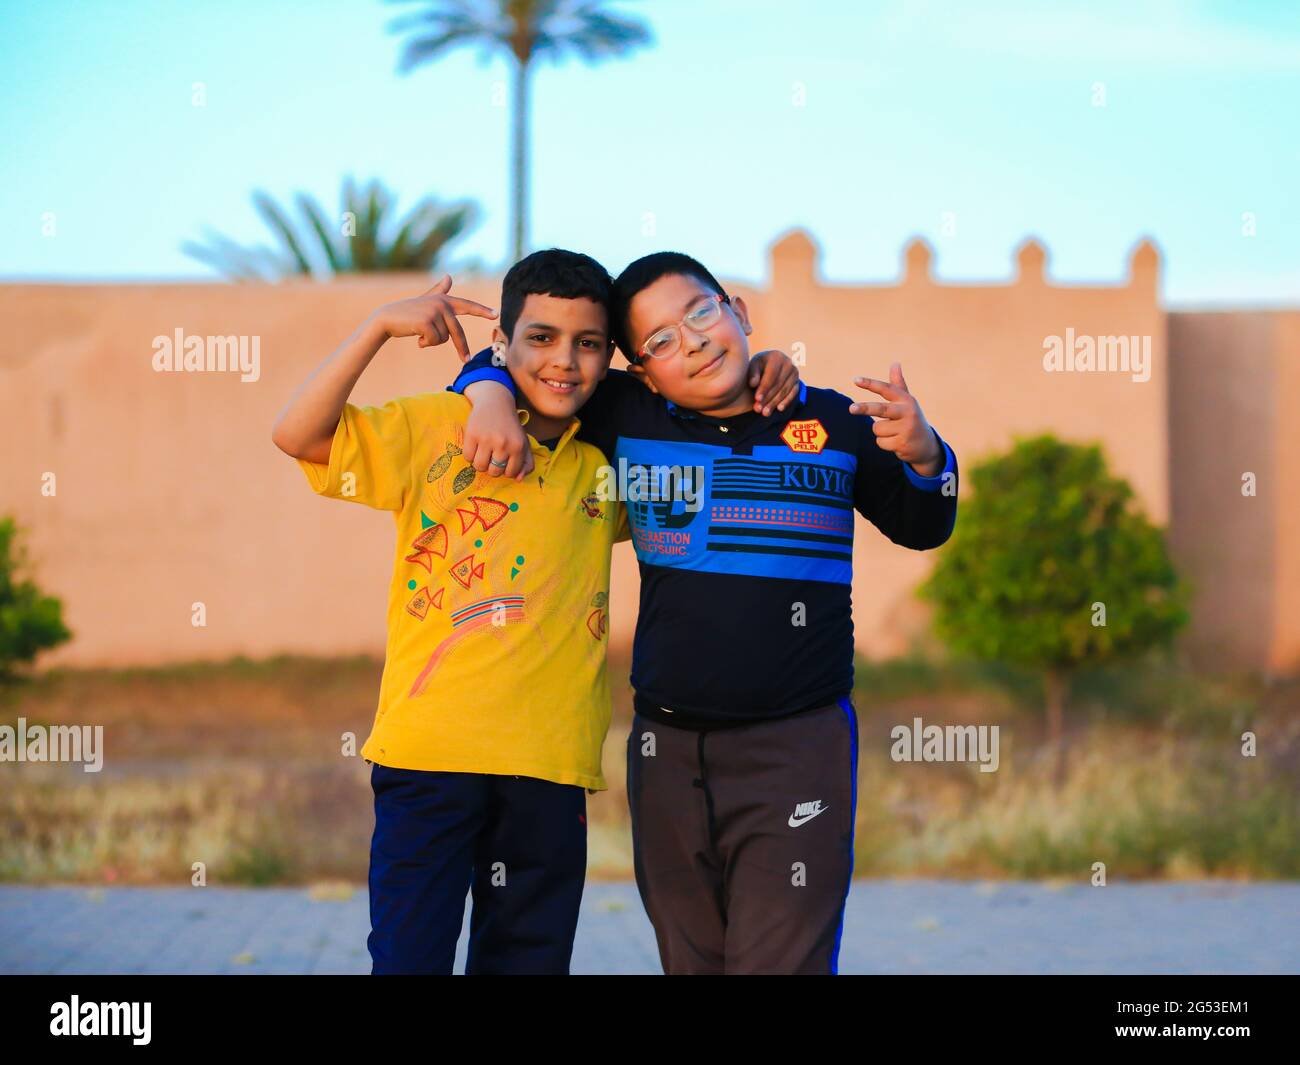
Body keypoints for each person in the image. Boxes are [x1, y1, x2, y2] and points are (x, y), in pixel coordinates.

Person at [271, 248, 799, 974]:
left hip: (550, 771)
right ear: (502, 345)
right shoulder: (436, 428)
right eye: (542, 339)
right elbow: (297, 435)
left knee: (528, 961)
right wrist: (376, 328)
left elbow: (700, 418)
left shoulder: (611, 467)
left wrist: (763, 365)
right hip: (427, 758)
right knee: (407, 956)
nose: (566, 361)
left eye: (588, 344)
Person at [450, 251, 959, 974]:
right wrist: (488, 395)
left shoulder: (835, 422)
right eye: (658, 341)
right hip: (666, 756)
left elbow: (923, 524)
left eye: (700, 313)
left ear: (738, 312)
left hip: (798, 750)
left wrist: (926, 454)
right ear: (641, 372)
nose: (688, 341)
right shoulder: (625, 416)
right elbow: (531, 371)